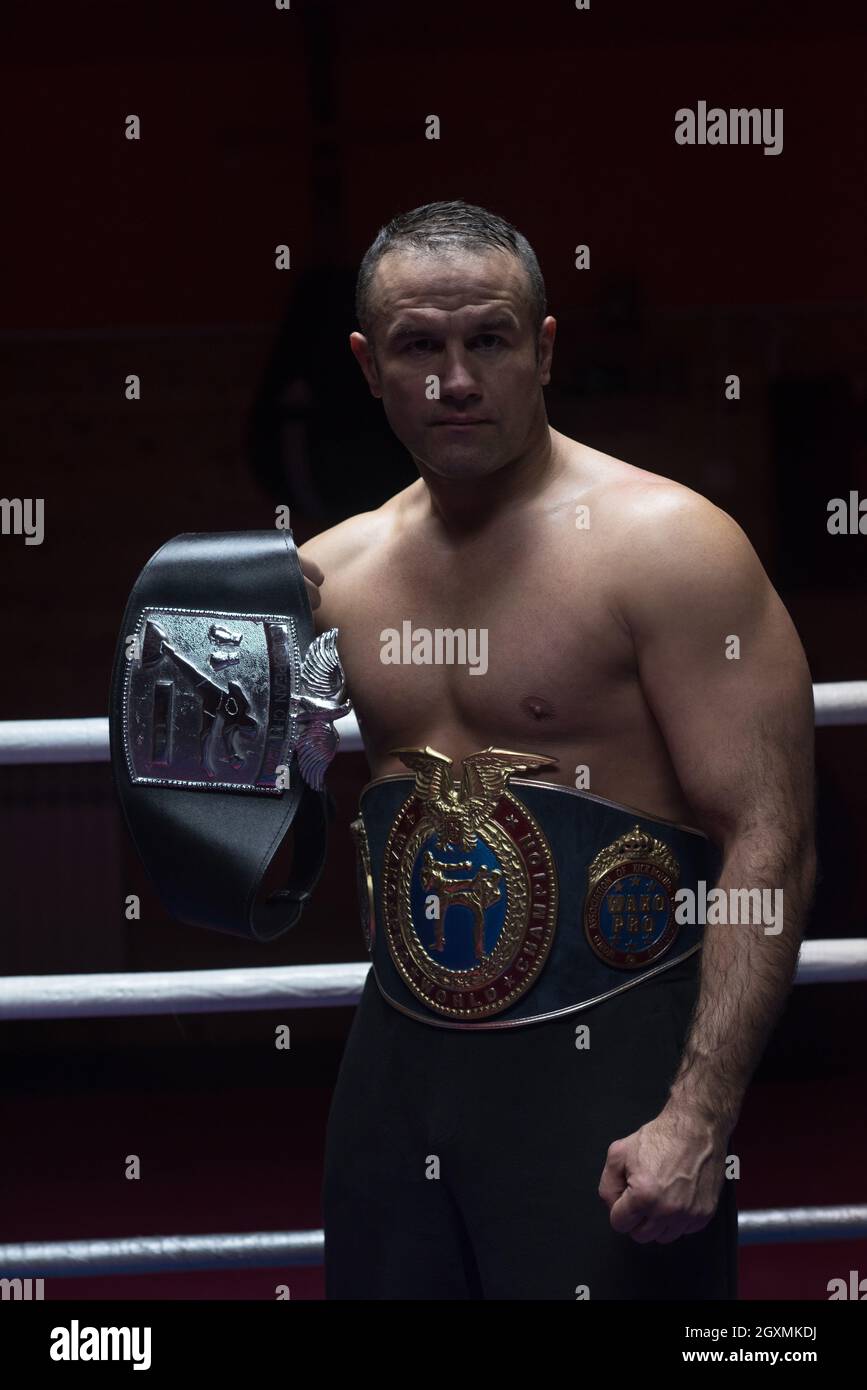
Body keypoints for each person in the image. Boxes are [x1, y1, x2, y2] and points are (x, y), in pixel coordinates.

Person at [298, 199, 816, 1300]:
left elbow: (768, 839)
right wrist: (250, 757)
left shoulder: (670, 548)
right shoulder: (329, 575)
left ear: (543, 349)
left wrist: (700, 1114)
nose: (455, 380)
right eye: (418, 348)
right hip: (400, 1071)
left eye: (487, 339)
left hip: (614, 1064)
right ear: (366, 364)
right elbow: (260, 853)